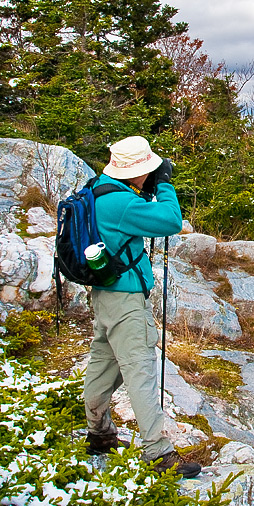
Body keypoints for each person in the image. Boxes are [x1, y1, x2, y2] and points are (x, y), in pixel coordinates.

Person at [83, 135, 202, 479]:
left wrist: (145, 186)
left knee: (104, 363)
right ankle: (158, 452)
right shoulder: (120, 203)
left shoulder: (99, 189)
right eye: (147, 169)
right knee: (140, 371)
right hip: (125, 300)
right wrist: (163, 184)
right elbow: (171, 220)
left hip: (105, 295)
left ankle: (99, 433)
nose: (151, 173)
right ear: (135, 170)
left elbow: (131, 217)